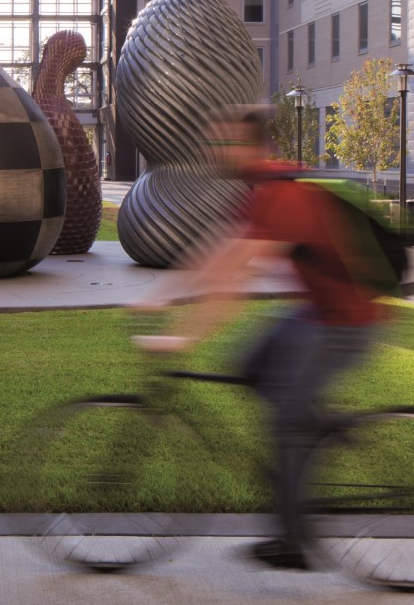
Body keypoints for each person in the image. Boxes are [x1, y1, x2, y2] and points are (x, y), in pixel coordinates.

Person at [133, 106, 391, 571]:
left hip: (351, 320)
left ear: (248, 146)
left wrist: (181, 338)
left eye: (221, 140)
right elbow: (217, 254)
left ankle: (294, 542)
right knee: (250, 364)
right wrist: (160, 295)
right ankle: (312, 433)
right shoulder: (261, 191)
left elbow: (228, 282)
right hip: (319, 312)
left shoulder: (282, 196)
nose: (212, 149)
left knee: (285, 422)